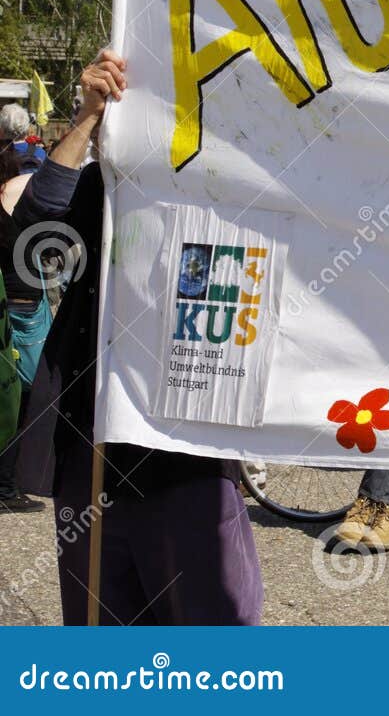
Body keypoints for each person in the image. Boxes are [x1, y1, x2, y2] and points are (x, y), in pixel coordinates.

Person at [12, 49, 264, 624]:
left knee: (211, 647)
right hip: (92, 454)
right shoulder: (105, 190)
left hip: (188, 459)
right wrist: (87, 119)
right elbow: (32, 236)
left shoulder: (230, 195)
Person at [0, 146, 52, 513]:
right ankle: (6, 488)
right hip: (24, 305)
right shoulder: (23, 188)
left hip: (10, 301)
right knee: (22, 396)